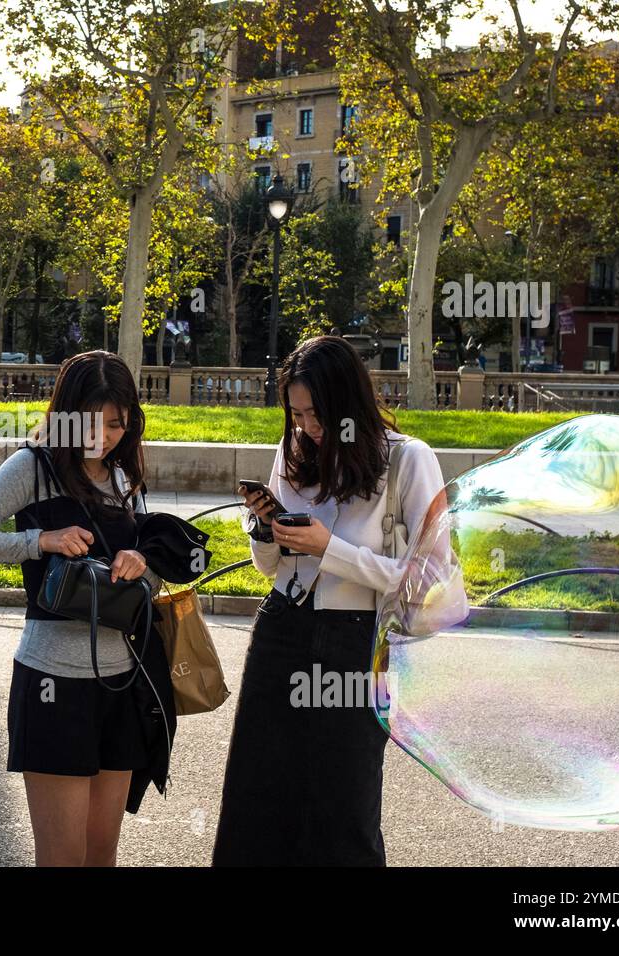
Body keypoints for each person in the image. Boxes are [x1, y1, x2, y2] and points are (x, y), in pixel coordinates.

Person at [213, 335, 446, 866]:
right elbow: (268, 568)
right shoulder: (293, 452)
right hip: (280, 628)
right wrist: (266, 532)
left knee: (344, 805)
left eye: (316, 414)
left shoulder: (408, 460)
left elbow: (430, 577)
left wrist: (331, 550)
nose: (305, 427)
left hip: (356, 640)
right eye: (295, 415)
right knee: (258, 796)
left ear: (348, 403)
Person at [0, 350, 175, 866]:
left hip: (121, 685)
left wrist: (144, 563)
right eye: (92, 423)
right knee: (63, 856)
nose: (104, 437)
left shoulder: (122, 478)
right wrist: (40, 540)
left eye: (116, 424)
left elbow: (151, 582)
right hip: (53, 685)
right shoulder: (32, 467)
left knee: (101, 854)